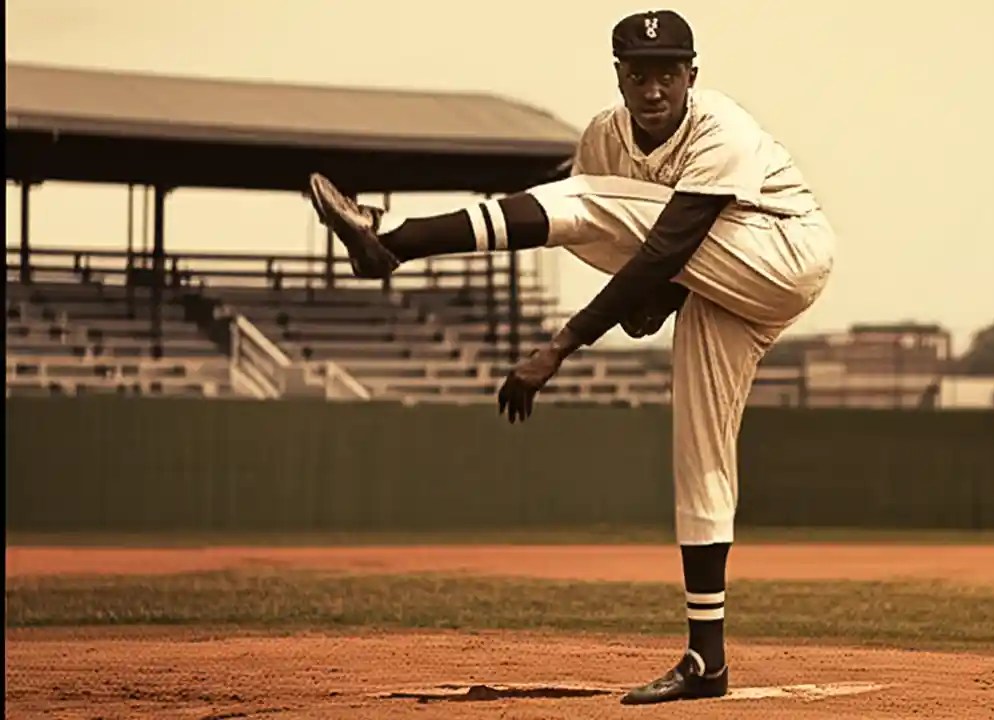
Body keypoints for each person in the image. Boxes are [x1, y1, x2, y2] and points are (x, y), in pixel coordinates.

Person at [307, 8, 835, 705]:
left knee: (584, 198)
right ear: (619, 76)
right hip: (719, 284)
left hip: (785, 251)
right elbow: (602, 236)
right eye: (640, 75)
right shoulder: (603, 138)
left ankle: (393, 239)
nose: (654, 89)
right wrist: (658, 300)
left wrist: (559, 346)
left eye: (668, 74)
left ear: (692, 75)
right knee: (699, 454)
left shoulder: (721, 127)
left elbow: (664, 245)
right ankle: (707, 660)